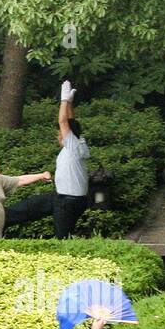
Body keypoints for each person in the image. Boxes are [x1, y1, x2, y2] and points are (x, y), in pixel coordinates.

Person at [54, 80, 91, 239]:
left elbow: (63, 122)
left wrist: (63, 100)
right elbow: (71, 122)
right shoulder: (78, 141)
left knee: (63, 237)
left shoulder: (72, 145)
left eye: (60, 132)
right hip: (69, 197)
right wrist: (69, 103)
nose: (58, 134)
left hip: (69, 200)